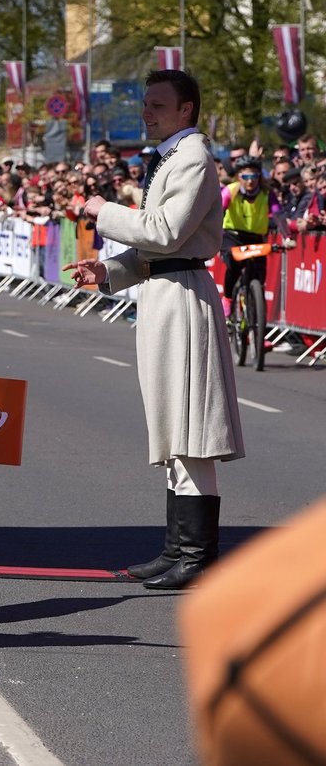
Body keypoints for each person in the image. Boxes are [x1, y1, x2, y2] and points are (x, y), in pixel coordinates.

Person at [64, 70, 245, 590]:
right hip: (165, 294)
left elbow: (167, 234)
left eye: (157, 104)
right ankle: (177, 550)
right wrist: (108, 273)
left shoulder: (191, 158)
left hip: (183, 298)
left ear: (186, 109)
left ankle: (196, 554)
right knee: (173, 426)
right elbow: (154, 253)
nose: (147, 111)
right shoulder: (171, 156)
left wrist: (105, 213)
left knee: (191, 428)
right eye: (146, 103)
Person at [218, 156, 275, 314]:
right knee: (234, 267)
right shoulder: (230, 191)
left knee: (259, 277)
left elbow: (279, 216)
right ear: (239, 177)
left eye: (254, 176)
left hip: (256, 238)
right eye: (246, 177)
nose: (250, 181)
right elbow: (217, 212)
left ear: (259, 176)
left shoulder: (267, 193)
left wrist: (288, 237)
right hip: (232, 236)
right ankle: (228, 298)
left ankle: (254, 320)